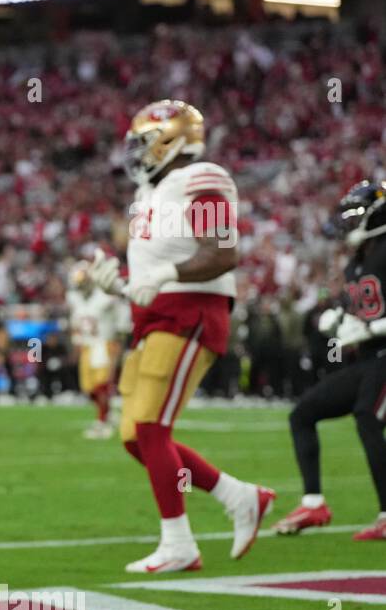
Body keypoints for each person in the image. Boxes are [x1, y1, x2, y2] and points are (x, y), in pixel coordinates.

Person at [88, 99, 274, 573]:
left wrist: (165, 272)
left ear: (171, 139)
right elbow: (156, 274)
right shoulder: (154, 192)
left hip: (191, 313)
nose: (137, 153)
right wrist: (121, 286)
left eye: (144, 143)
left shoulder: (200, 177)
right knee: (135, 436)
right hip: (156, 318)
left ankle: (179, 543)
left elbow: (222, 253)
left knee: (151, 427)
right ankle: (240, 497)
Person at [275, 180, 386, 541]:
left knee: (367, 417)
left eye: (355, 214)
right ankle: (312, 502)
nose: (348, 223)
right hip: (367, 360)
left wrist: (371, 329)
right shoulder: (357, 261)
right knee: (302, 414)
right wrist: (338, 318)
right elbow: (357, 307)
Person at [66, 262, 126, 439]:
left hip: (103, 344)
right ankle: (108, 412)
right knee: (89, 388)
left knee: (102, 386)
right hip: (87, 346)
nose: (81, 285)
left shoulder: (105, 297)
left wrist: (118, 340)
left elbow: (121, 316)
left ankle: (103, 421)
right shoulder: (74, 298)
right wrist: (76, 343)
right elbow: (76, 324)